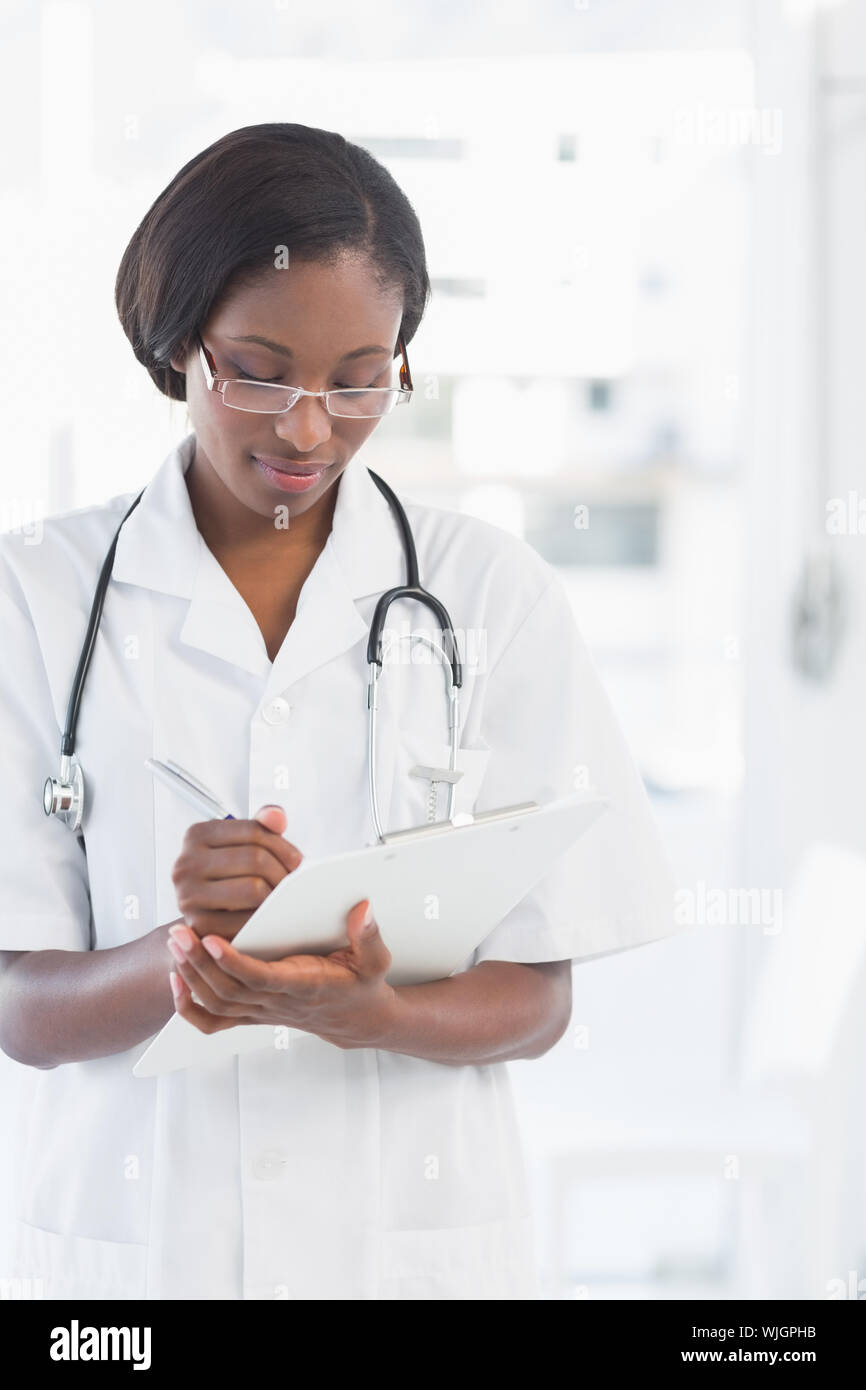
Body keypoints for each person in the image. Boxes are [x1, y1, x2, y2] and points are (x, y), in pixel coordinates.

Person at [0, 122, 679, 1300]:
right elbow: (22, 1006)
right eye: (257, 369)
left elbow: (535, 997)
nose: (307, 428)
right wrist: (183, 959)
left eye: (360, 378)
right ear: (175, 346)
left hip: (408, 1255)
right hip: (137, 1266)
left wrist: (371, 1011)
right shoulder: (35, 597)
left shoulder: (488, 594)